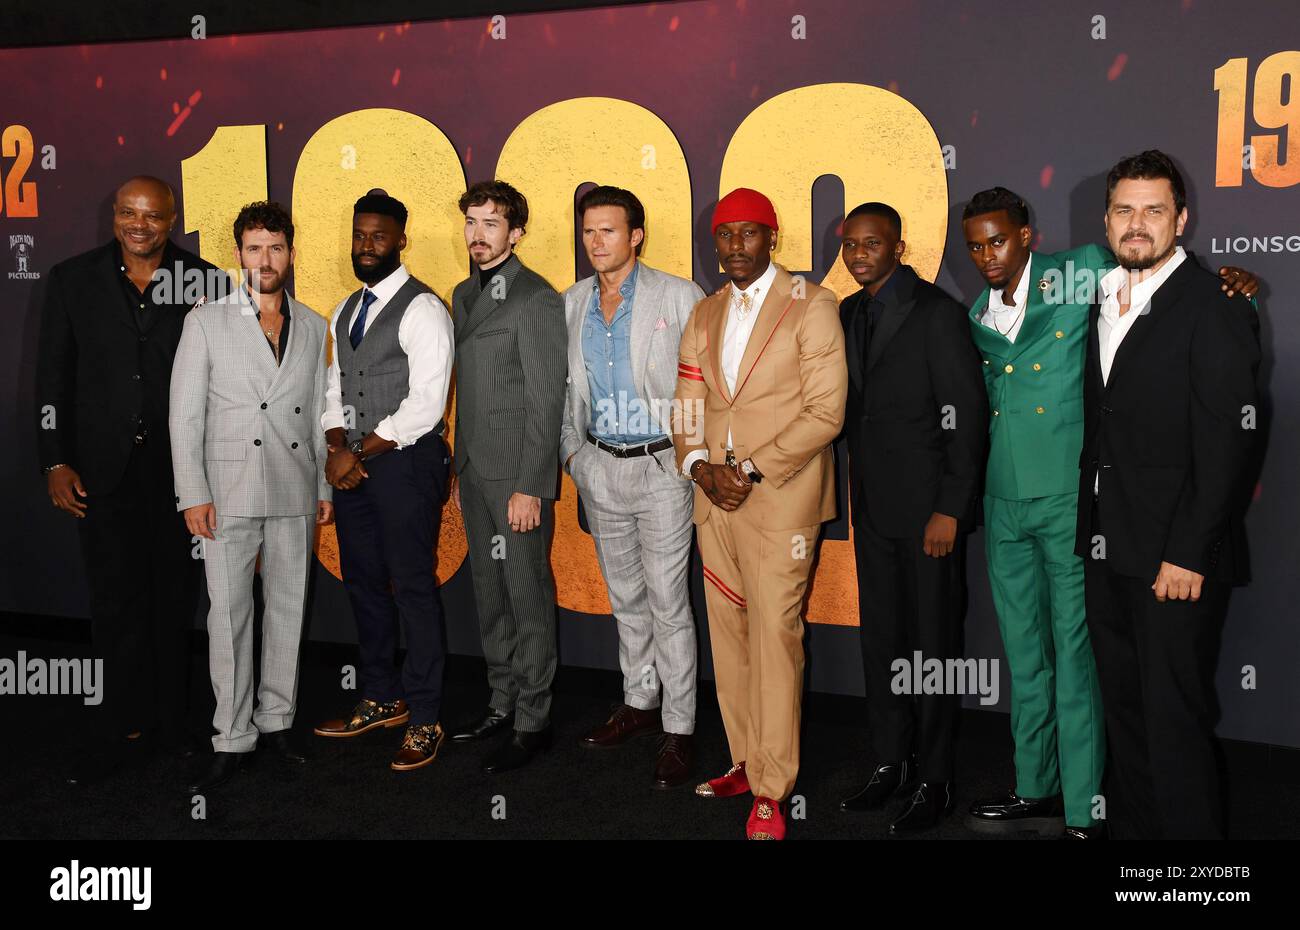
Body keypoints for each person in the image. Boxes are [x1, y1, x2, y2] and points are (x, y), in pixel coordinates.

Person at [961, 186, 1259, 838]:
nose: (988, 254)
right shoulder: (976, 311)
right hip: (1005, 500)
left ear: (1027, 235)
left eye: (999, 239)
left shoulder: (1084, 269)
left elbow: (1167, 276)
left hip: (1073, 500)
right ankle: (1034, 785)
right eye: (976, 244)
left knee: (1078, 658)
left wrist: (1233, 284)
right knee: (1025, 657)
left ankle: (1081, 810)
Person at [1077, 150, 1259, 839]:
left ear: (1181, 219)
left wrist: (1187, 553)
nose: (1137, 224)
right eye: (1124, 209)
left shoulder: (1214, 304)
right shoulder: (1102, 296)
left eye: (1154, 210)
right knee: (1124, 711)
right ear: (1107, 218)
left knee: (1173, 720)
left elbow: (1227, 445)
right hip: (1106, 545)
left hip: (1175, 560)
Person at [35, 175, 228, 785]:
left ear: (171, 219)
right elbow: (53, 378)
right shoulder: (73, 279)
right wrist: (55, 459)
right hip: (102, 472)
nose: (138, 224)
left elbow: (225, 385)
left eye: (151, 215)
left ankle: (173, 725)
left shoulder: (208, 282)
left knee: (174, 601)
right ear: (114, 215)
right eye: (127, 213)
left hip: (181, 474)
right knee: (115, 604)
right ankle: (121, 727)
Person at [672, 187, 847, 840]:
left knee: (776, 639)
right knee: (730, 635)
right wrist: (697, 467)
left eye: (749, 234)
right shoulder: (705, 312)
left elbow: (826, 413)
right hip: (713, 499)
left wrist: (745, 469)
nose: (735, 246)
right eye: (725, 235)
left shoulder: (813, 305)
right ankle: (744, 760)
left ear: (772, 238)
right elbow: (687, 402)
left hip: (779, 499)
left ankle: (773, 788)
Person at [835, 203, 987, 833]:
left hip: (930, 518)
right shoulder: (847, 312)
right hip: (871, 509)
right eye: (850, 243)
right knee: (883, 642)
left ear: (899, 247)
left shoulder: (938, 314)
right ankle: (891, 762)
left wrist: (950, 509)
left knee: (934, 648)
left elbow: (968, 420)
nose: (859, 253)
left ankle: (936, 776)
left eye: (872, 243)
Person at [170, 201, 331, 791]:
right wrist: (193, 493)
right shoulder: (206, 321)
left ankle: (277, 719)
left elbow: (317, 414)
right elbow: (184, 416)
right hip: (227, 489)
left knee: (288, 609)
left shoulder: (314, 325)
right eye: (254, 248)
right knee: (230, 616)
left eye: (276, 247)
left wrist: (320, 488)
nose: (266, 259)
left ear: (291, 251)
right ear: (239, 253)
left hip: (293, 485)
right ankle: (232, 734)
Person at [560, 185, 705, 788]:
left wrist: (688, 458)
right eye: (589, 231)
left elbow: (702, 386)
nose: (596, 242)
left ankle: (679, 726)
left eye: (609, 231)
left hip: (660, 469)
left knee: (669, 602)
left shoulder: (678, 295)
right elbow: (568, 391)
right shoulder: (571, 303)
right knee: (626, 599)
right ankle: (640, 702)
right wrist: (575, 457)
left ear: (636, 235)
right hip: (600, 466)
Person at [312, 190, 455, 773]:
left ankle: (425, 717)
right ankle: (380, 696)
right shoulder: (346, 309)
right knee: (364, 581)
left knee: (413, 586)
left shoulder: (424, 309)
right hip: (355, 465)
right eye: (359, 235)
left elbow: (427, 403)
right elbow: (333, 388)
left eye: (379, 236)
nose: (367, 245)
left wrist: (357, 452)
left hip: (406, 465)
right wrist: (336, 445)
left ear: (402, 240)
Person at [446, 180, 568, 775]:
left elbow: (547, 401)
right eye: (471, 222)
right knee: (489, 596)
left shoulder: (537, 298)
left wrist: (531, 484)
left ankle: (534, 718)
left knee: (527, 596)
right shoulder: (462, 295)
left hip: (516, 479)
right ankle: (501, 700)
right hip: (472, 471)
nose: (477, 234)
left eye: (491, 223)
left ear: (516, 232)